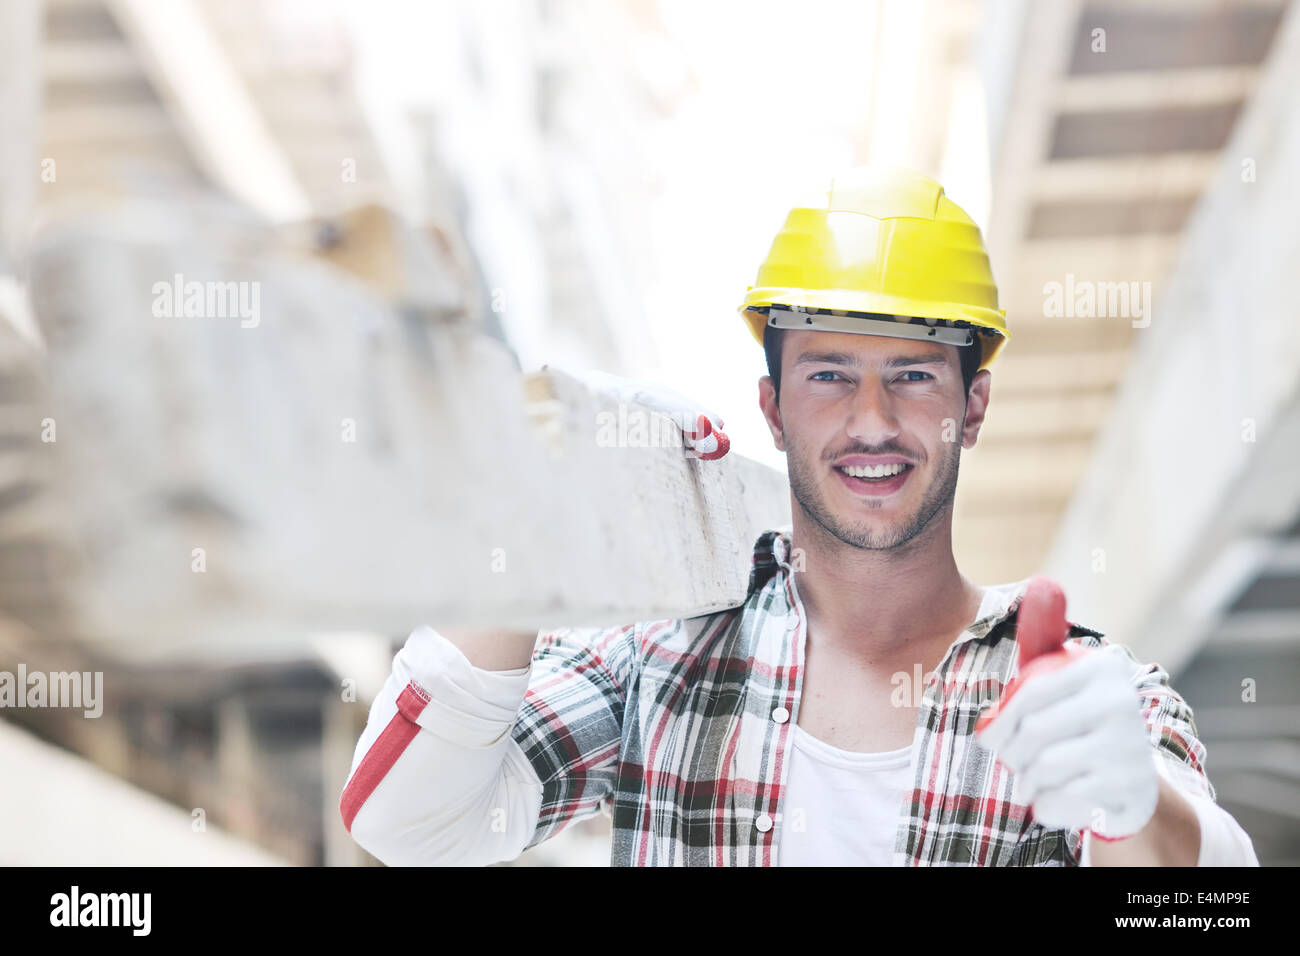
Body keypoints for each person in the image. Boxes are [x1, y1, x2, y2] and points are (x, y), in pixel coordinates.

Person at [339, 166, 1258, 866]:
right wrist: (539, 512)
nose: (872, 420)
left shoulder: (1083, 696)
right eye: (828, 375)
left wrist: (1135, 808)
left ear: (971, 409)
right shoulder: (663, 655)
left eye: (912, 375)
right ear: (772, 410)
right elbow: (412, 823)